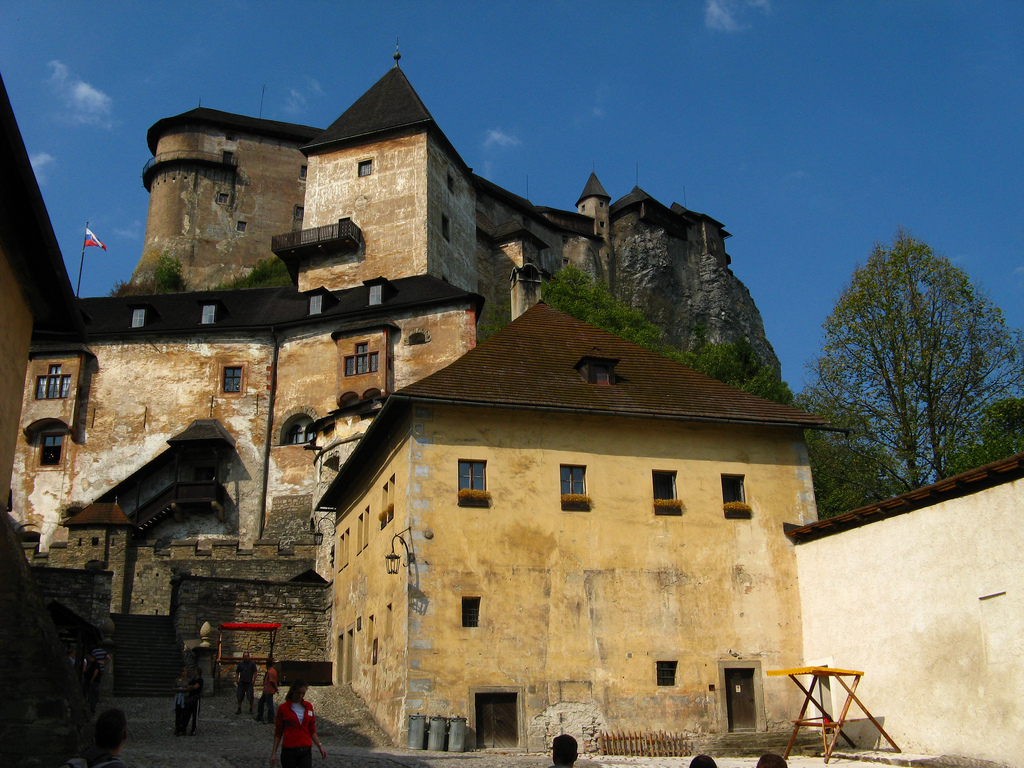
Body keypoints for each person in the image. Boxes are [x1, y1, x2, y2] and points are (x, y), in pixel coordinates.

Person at [270, 679, 327, 767]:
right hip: (289, 750)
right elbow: (278, 732)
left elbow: (311, 729)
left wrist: (320, 746)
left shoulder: (308, 707)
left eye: (303, 693)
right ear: (293, 691)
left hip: (305, 750)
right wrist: (274, 752)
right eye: (298, 693)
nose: (300, 696)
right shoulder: (283, 708)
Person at [256, 656, 279, 723]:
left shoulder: (270, 672)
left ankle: (270, 719)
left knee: (269, 705)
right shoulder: (273, 671)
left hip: (268, 690)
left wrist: (276, 689)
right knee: (262, 702)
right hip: (267, 690)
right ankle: (260, 716)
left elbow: (272, 681)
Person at [184, 666, 204, 735]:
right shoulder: (193, 680)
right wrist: (191, 687)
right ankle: (184, 728)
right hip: (191, 697)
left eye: (195, 671)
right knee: (187, 713)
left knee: (195, 714)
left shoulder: (200, 680)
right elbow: (189, 686)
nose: (194, 672)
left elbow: (195, 687)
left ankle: (193, 729)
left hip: (196, 698)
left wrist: (191, 687)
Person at [173, 666, 189, 735]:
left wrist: (186, 689)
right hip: (179, 698)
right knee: (178, 714)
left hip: (185, 698)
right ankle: (177, 727)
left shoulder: (188, 680)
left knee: (184, 714)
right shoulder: (177, 680)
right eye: (183, 671)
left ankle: (183, 728)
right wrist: (178, 689)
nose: (184, 673)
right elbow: (173, 687)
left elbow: (189, 688)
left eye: (185, 671)